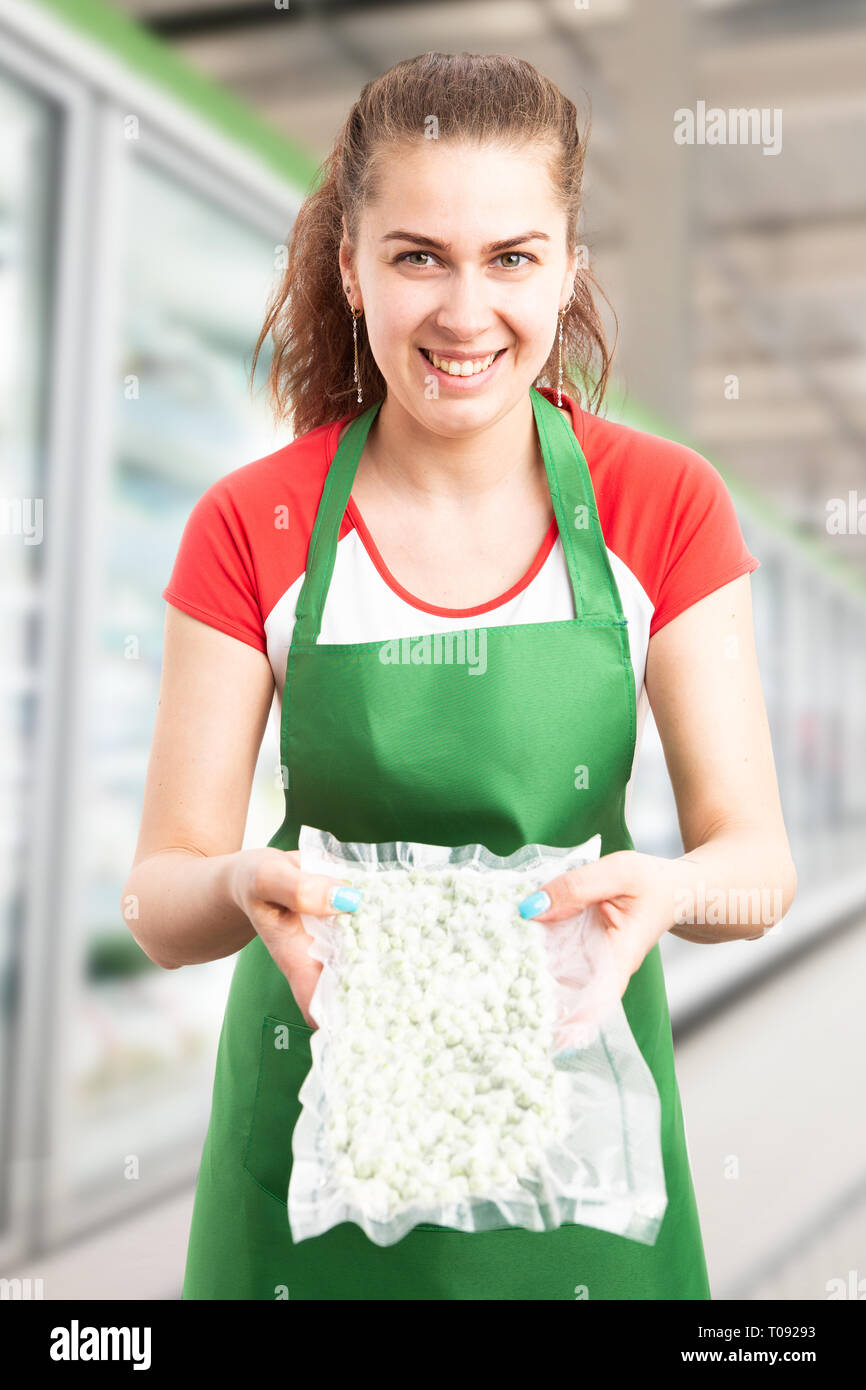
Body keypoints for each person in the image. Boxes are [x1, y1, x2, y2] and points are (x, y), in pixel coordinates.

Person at [122, 52, 797, 1300]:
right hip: (309, 1154)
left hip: (573, 1133)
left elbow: (754, 866)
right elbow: (160, 904)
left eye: (512, 258)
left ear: (568, 268)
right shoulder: (252, 524)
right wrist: (237, 880)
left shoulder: (661, 506)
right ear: (349, 264)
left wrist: (662, 893)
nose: (463, 311)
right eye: (417, 255)